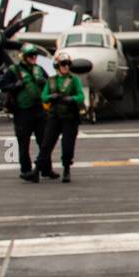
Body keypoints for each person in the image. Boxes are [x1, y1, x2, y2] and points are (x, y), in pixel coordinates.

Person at [0, 44, 52, 182]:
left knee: (44, 142)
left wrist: (43, 82)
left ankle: (46, 169)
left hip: (39, 110)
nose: (34, 57)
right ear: (23, 57)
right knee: (23, 143)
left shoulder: (39, 69)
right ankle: (26, 170)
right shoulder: (14, 70)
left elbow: (50, 84)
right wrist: (15, 86)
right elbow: (2, 85)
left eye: (35, 55)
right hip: (23, 112)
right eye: (30, 55)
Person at [39, 52, 85, 183]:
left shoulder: (74, 79)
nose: (66, 67)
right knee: (46, 143)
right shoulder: (51, 80)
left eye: (68, 64)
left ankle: (66, 170)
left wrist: (72, 99)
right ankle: (37, 169)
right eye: (63, 64)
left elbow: (81, 96)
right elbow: (43, 97)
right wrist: (50, 97)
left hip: (69, 117)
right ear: (57, 66)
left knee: (67, 145)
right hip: (54, 116)